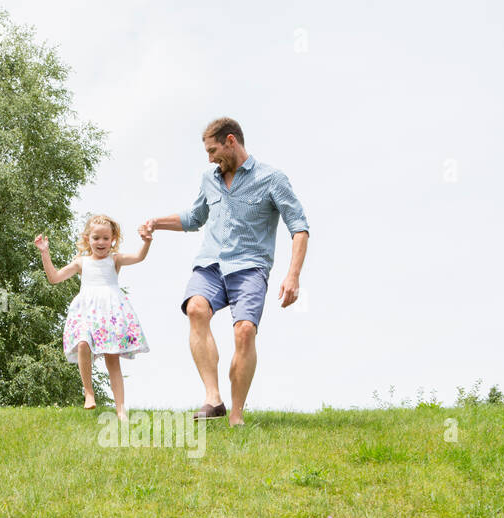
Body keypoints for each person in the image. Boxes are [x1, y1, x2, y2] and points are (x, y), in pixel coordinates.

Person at [141, 117, 309, 426]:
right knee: (195, 308)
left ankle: (236, 414)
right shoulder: (210, 179)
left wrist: (293, 275)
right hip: (211, 264)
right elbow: (194, 217)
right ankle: (213, 399)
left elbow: (299, 227)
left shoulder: (272, 179)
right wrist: (156, 223)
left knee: (244, 332)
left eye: (213, 150)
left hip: (250, 266)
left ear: (231, 141)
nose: (209, 158)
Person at [34, 215, 152, 421]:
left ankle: (121, 410)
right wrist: (45, 253)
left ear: (113, 239)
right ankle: (88, 392)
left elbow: (139, 257)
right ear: (88, 238)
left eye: (106, 238)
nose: (101, 243)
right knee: (82, 344)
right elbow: (54, 278)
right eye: (96, 238)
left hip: (110, 312)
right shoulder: (82, 262)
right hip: (87, 311)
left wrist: (146, 242)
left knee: (112, 359)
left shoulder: (115, 259)